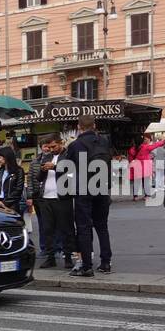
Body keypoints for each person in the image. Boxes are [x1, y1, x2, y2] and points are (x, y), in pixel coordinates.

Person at [60, 116, 113, 276]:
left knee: (83, 228)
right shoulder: (104, 141)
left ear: (78, 127)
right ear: (94, 125)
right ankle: (106, 262)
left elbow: (66, 168)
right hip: (102, 188)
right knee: (102, 226)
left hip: (83, 189)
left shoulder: (76, 145)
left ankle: (87, 266)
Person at [28, 136, 68, 269]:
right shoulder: (46, 157)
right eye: (49, 147)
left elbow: (71, 172)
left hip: (61, 197)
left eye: (53, 146)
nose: (51, 149)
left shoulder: (67, 155)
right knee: (47, 229)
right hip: (45, 197)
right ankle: (50, 257)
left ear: (60, 144)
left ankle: (68, 257)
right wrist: (43, 169)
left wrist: (55, 167)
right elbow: (38, 178)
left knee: (64, 227)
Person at [0, 144, 28, 216]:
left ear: (6, 157)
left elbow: (18, 190)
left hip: (12, 205)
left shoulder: (19, 171)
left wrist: (5, 203)